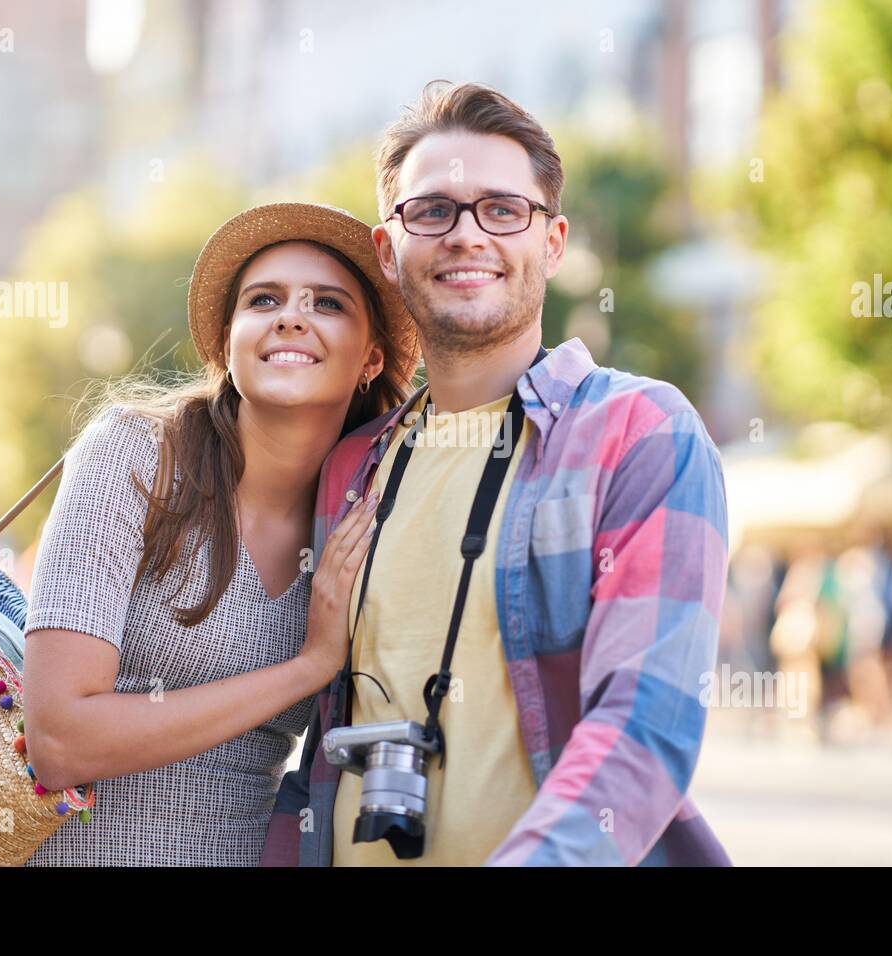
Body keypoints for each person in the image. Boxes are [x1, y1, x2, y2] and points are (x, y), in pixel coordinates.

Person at [262, 82, 731, 866]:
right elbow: (317, 744)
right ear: (389, 249)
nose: (467, 235)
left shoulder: (639, 434)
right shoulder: (350, 464)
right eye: (433, 211)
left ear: (552, 243)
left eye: (503, 210)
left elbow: (643, 727)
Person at [22, 203, 420, 865]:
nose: (291, 316)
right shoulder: (136, 456)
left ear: (371, 357)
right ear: (228, 345)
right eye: (264, 300)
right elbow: (60, 741)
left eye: (327, 303)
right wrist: (308, 668)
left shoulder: (372, 515)